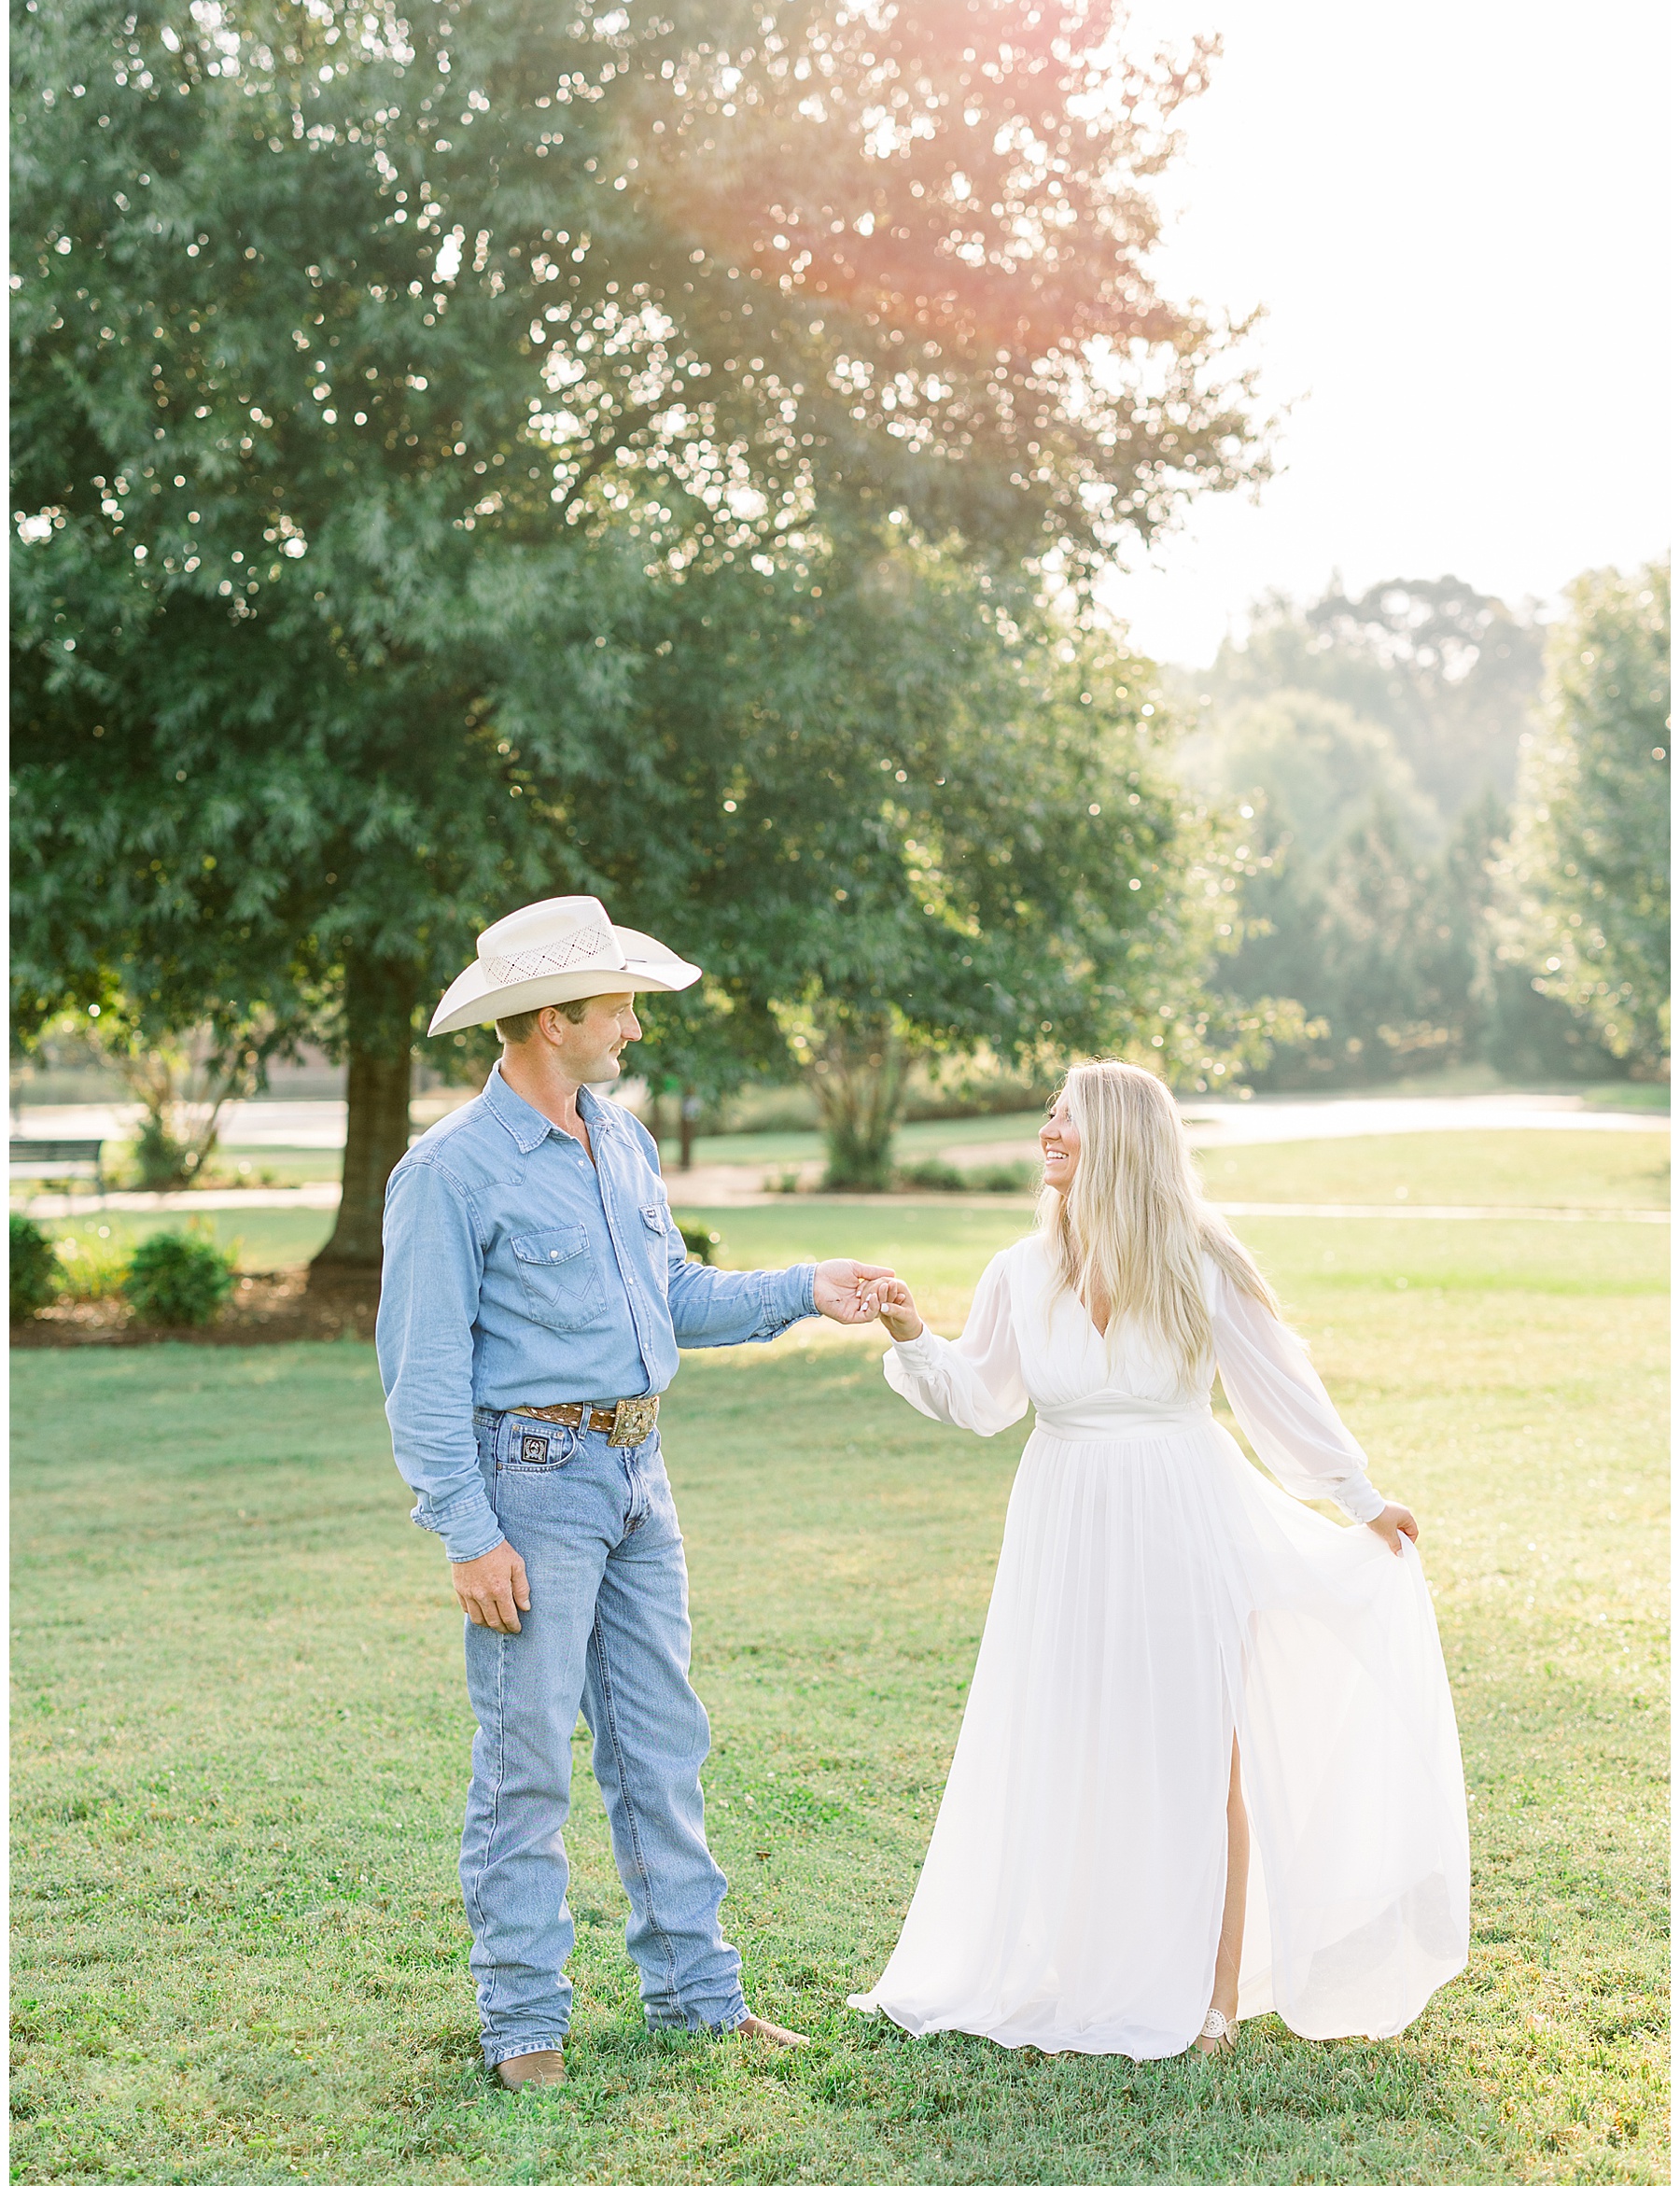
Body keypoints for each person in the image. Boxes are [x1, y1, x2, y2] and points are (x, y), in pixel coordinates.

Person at [377, 894, 898, 2089]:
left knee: (661, 1747)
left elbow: (673, 1297)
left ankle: (697, 1997)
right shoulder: (448, 1173)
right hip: (532, 1485)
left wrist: (809, 1286)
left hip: (638, 1475)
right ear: (549, 1017)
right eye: (616, 1004)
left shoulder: (624, 1142)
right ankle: (522, 2028)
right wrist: (469, 1533)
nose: (634, 1026)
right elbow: (420, 1376)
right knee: (526, 1764)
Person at [850, 1059, 1469, 2060]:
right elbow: (978, 1399)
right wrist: (912, 1329)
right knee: (1076, 1741)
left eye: (1066, 1117)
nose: (1047, 1132)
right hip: (1062, 1522)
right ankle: (1082, 1972)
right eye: (1048, 1116)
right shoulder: (1020, 1269)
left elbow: (1282, 1390)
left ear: (1122, 1138)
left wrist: (1359, 1497)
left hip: (1183, 1515)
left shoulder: (1199, 1260)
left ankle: (1216, 1996)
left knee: (1200, 1751)